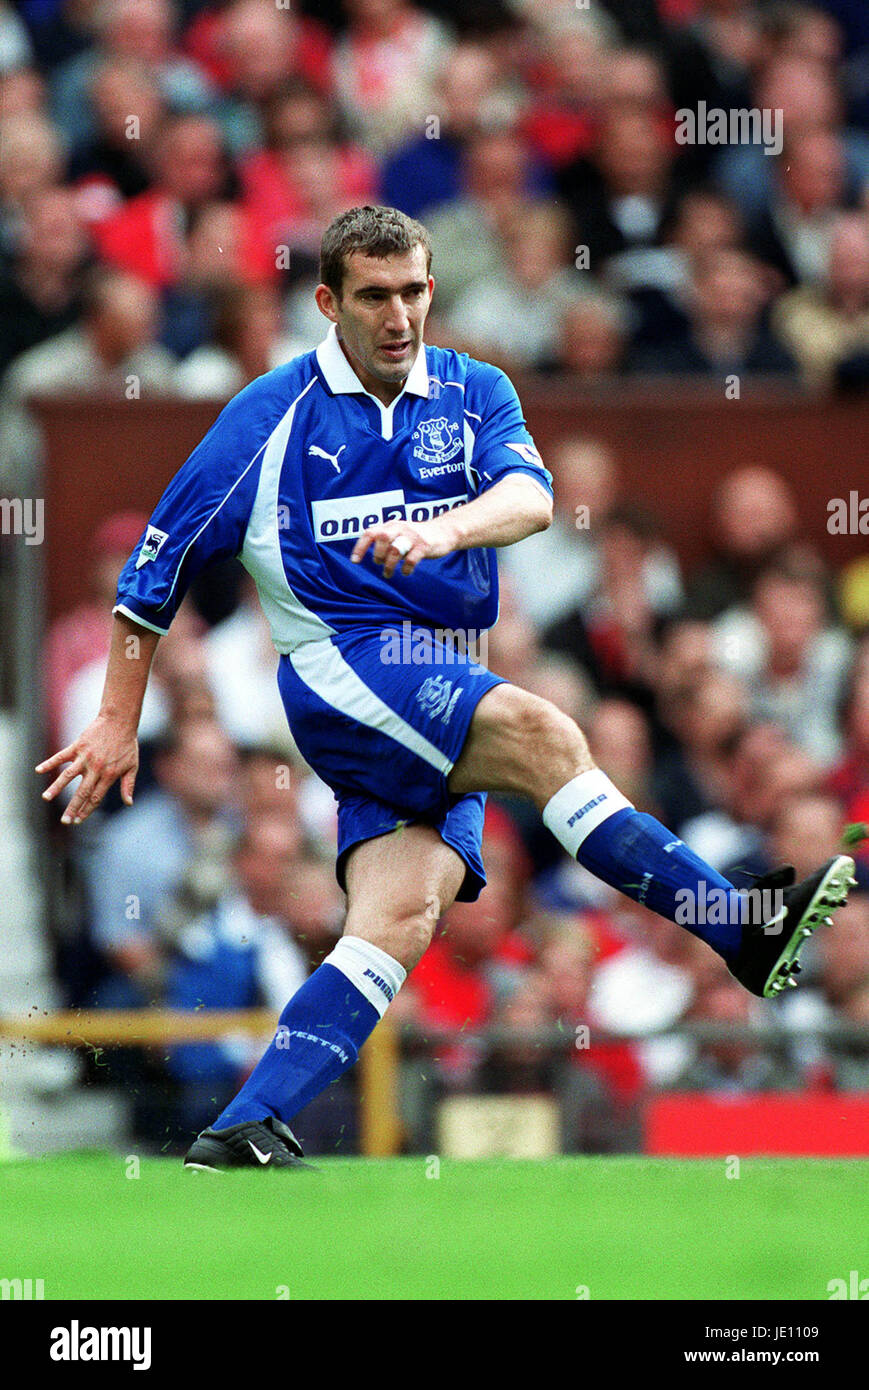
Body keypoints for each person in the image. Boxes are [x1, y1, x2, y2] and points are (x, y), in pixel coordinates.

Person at [37, 205, 855, 1171]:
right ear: (327, 303)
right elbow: (155, 566)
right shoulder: (271, 414)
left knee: (401, 912)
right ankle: (733, 926)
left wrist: (445, 530)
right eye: (374, 296)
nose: (398, 316)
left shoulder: (474, 390)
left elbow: (533, 499)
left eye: (414, 292)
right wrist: (117, 722)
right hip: (343, 665)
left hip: (438, 671)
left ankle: (244, 1125)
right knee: (548, 736)